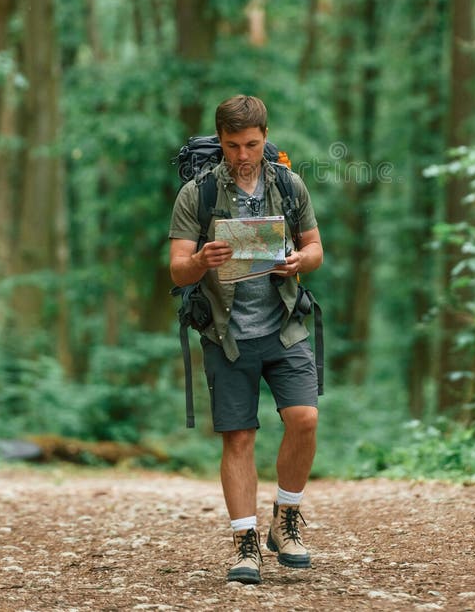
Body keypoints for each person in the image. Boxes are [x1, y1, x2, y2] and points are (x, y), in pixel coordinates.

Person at [169, 95, 324, 585]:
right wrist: (201, 261)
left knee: (305, 418)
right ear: (219, 140)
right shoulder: (198, 194)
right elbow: (176, 266)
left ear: (264, 137)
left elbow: (315, 246)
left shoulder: (288, 183)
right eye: (233, 145)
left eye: (252, 144)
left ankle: (287, 518)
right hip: (226, 333)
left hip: (283, 326)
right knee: (238, 437)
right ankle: (245, 543)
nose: (242, 155)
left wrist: (300, 262)